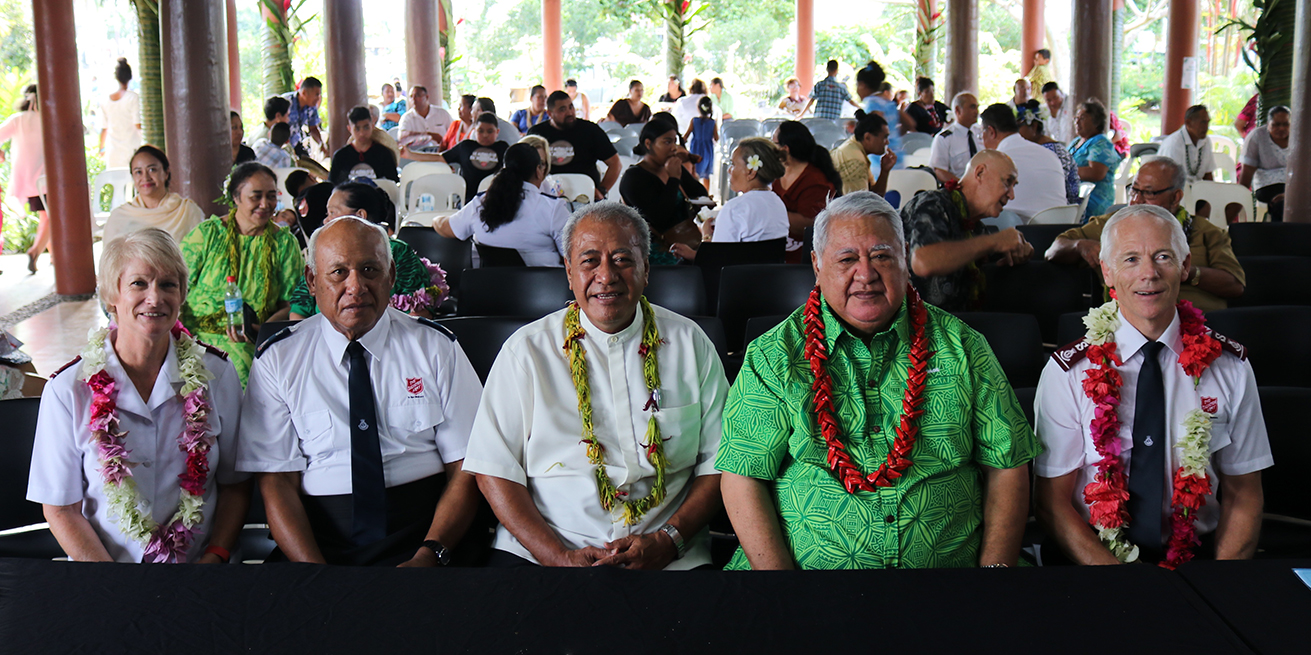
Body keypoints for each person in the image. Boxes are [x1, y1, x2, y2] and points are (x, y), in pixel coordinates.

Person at [717, 191, 1038, 570]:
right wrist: (785, 592)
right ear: (817, 265)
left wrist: (995, 574)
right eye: (847, 259)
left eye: (882, 256)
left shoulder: (963, 346)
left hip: (955, 583)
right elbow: (742, 477)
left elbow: (1007, 465)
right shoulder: (773, 356)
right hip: (809, 585)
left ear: (904, 257)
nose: (866, 275)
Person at [463, 203, 728, 569]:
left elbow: (722, 461)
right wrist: (557, 556)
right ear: (569, 273)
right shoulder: (526, 351)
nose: (606, 275)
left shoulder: (690, 344)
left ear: (647, 269)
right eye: (589, 261)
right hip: (542, 554)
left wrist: (669, 541)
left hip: (669, 555)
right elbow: (493, 469)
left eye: (622, 259)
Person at [238, 216, 483, 566]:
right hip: (319, 539)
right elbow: (277, 482)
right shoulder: (279, 360)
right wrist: (314, 571)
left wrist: (432, 552)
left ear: (391, 277)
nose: (356, 286)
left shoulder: (436, 348)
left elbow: (466, 466)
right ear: (312, 280)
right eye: (338, 272)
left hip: (426, 529)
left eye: (370, 270)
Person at [1034, 205, 1271, 567]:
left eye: (1163, 256)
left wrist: (1221, 587)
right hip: (1090, 561)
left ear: (1186, 266)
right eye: (1131, 259)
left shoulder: (1230, 368)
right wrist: (1121, 586)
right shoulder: (1068, 372)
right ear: (1107, 271)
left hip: (1199, 561)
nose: (1149, 273)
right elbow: (1053, 503)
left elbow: (1245, 494)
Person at [27, 228, 248, 563]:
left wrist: (215, 557)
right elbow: (61, 508)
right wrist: (113, 585)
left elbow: (235, 483)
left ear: (182, 293)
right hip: (104, 577)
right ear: (111, 293)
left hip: (201, 572)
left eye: (168, 284)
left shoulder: (217, 374)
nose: (155, 298)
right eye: (139, 283)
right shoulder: (67, 389)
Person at [1045, 158, 1246, 313]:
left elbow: (1235, 285)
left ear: (1176, 197)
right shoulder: (1112, 226)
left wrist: (1182, 271)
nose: (1136, 200)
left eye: (1148, 193)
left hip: (1201, 327)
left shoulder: (1206, 231)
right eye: (1134, 190)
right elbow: (1053, 250)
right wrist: (1080, 246)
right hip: (1130, 327)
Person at [179, 162, 303, 385]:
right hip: (196, 339)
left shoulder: (284, 243)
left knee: (247, 368)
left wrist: (263, 331)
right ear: (236, 197)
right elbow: (176, 289)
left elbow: (291, 304)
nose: (265, 204)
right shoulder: (207, 236)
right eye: (256, 197)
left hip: (253, 340)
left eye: (271, 196)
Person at [289, 182, 446, 319]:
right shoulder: (323, 254)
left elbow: (418, 312)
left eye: (333, 213)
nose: (326, 220)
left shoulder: (396, 252)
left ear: (360, 215)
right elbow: (299, 310)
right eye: (339, 271)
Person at [901, 150, 1032, 311]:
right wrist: (995, 241)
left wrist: (1020, 251)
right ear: (980, 173)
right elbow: (923, 262)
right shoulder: (933, 203)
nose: (1011, 195)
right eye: (1007, 182)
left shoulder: (976, 229)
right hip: (914, 327)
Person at [435, 143, 570, 267]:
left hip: (487, 290)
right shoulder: (553, 208)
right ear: (538, 171)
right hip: (543, 291)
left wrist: (436, 220)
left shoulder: (481, 203)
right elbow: (574, 256)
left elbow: (446, 228)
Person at [671, 138, 789, 261]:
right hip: (773, 278)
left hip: (737, 279)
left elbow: (716, 262)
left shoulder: (735, 208)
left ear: (751, 172)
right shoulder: (778, 204)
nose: (729, 170)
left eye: (733, 164)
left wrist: (706, 235)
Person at [620, 119, 710, 251]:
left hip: (686, 240)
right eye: (667, 142)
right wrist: (673, 179)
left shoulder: (671, 167)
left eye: (675, 141)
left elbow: (700, 194)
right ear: (648, 144)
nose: (674, 147)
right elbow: (660, 218)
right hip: (654, 248)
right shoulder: (634, 178)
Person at [978, 103, 1066, 222]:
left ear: (991, 132)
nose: (982, 140)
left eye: (981, 134)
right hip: (1059, 230)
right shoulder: (1050, 155)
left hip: (1019, 232)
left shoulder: (995, 161)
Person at [103, 145, 205, 245]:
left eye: (152, 170)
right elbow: (110, 259)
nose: (146, 177)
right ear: (133, 177)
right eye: (138, 172)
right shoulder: (119, 217)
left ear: (166, 173)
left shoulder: (187, 211)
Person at [529, 90, 622, 200]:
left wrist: (602, 190)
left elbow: (615, 163)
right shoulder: (537, 133)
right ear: (550, 113)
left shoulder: (590, 130)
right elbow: (527, 167)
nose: (569, 113)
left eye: (571, 107)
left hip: (586, 196)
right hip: (547, 196)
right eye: (562, 109)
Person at [773, 121, 842, 254]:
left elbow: (808, 224)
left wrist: (768, 211)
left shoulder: (815, 180)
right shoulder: (779, 172)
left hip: (804, 253)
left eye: (774, 143)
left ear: (785, 149)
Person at [0, 85, 47, 274]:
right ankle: (35, 251)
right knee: (49, 218)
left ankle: (51, 256)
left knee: (46, 217)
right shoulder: (47, 119)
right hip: (45, 177)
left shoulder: (17, 120)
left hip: (26, 179)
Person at [1069, 98, 1124, 220]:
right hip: (1074, 199)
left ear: (1096, 121)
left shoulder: (1101, 142)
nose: (1077, 122)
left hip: (1093, 203)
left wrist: (1066, 171)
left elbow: (1096, 173)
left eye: (1082, 118)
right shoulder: (1076, 142)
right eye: (1076, 118)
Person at [1017, 100, 1080, 205]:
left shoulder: (1052, 152)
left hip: (1061, 211)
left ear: (1034, 126)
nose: (1016, 132)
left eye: (1019, 127)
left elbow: (1053, 190)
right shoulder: (1041, 149)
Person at [1239, 106, 1289, 221]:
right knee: (1282, 206)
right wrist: (1239, 199)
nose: (1281, 128)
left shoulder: (1299, 136)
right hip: (1268, 185)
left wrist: (1290, 194)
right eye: (1276, 125)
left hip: (1294, 185)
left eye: (1286, 124)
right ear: (1268, 124)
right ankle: (1280, 236)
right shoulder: (1257, 137)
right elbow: (1246, 176)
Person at [830, 110, 895, 196]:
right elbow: (859, 206)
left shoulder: (854, 149)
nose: (887, 142)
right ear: (867, 137)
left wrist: (884, 172)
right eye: (884, 137)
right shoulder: (855, 159)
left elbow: (874, 196)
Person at [327, 107, 398, 184]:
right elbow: (332, 185)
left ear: (372, 126)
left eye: (366, 128)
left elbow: (392, 183)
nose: (362, 133)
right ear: (349, 129)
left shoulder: (383, 153)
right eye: (357, 129)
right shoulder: (341, 156)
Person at [856, 62, 906, 168]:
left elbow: (877, 125)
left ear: (862, 85)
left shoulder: (872, 103)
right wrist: (894, 136)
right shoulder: (889, 103)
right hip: (897, 157)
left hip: (881, 161)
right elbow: (910, 123)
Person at [928, 92, 982, 184]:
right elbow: (939, 171)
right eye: (972, 107)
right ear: (958, 110)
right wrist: (964, 184)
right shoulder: (944, 138)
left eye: (977, 107)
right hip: (959, 188)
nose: (976, 111)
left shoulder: (983, 133)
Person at [98, 57, 142, 169]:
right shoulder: (132, 98)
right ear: (130, 77)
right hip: (131, 150)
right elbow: (138, 124)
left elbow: (104, 128)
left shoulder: (105, 101)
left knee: (116, 184)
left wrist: (101, 148)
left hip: (113, 152)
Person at [1157, 105, 1216, 184]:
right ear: (1188, 123)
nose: (1206, 127)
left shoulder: (1206, 141)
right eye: (1203, 122)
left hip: (1196, 191)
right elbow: (1168, 180)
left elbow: (1208, 175)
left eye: (1208, 122)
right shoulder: (1173, 144)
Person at [398, 85, 454, 151]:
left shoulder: (442, 114)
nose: (413, 99)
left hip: (442, 152)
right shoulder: (407, 118)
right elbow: (402, 137)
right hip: (417, 154)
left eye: (417, 95)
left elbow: (453, 134)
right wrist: (428, 135)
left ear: (427, 97)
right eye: (411, 96)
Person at [281, 77, 326, 157]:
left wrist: (321, 145)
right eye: (316, 95)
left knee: (308, 165)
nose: (318, 98)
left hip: (295, 143)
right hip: (281, 143)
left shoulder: (312, 107)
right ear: (304, 93)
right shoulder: (286, 101)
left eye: (319, 94)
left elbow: (313, 128)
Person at [684, 96, 718, 188]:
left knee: (694, 171)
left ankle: (694, 191)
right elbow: (716, 138)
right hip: (707, 150)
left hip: (695, 149)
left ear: (698, 108)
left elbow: (686, 135)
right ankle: (706, 193)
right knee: (706, 175)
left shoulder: (694, 121)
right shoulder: (712, 123)